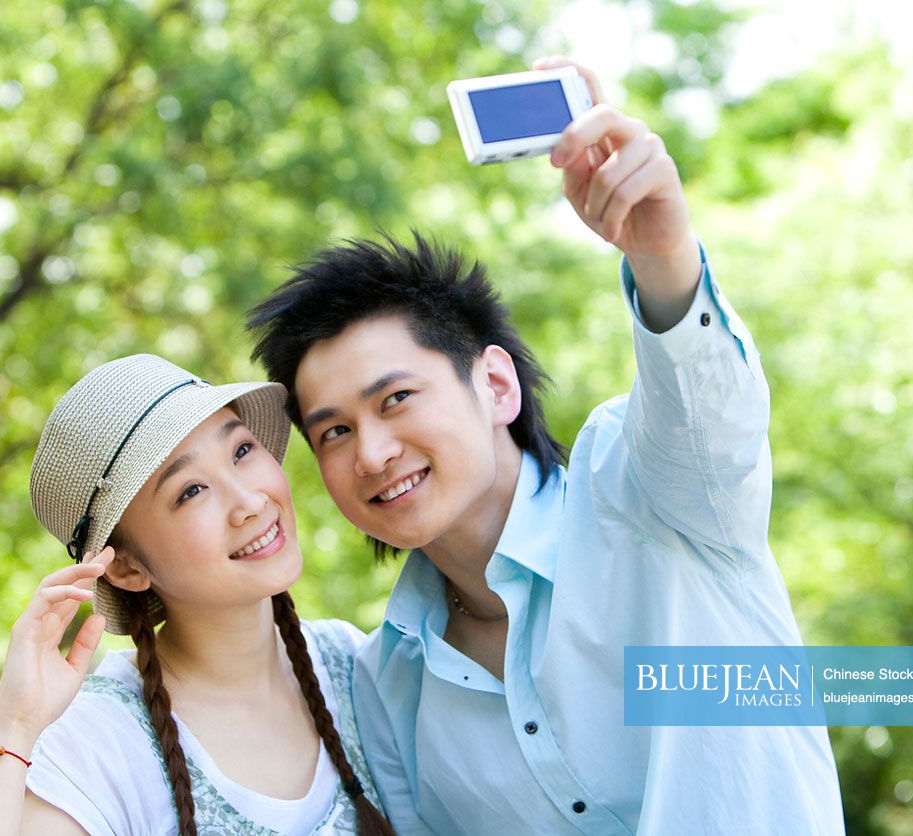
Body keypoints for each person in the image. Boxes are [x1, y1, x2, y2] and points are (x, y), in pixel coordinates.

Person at [246, 58, 846, 834]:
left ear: (495, 386)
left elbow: (708, 407)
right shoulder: (388, 685)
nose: (371, 453)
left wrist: (659, 251)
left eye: (395, 399)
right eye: (333, 431)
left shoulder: (644, 491)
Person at [0, 354, 393, 836]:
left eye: (242, 451)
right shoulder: (102, 742)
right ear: (125, 566)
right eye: (191, 491)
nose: (249, 502)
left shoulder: (351, 666)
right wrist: (12, 725)